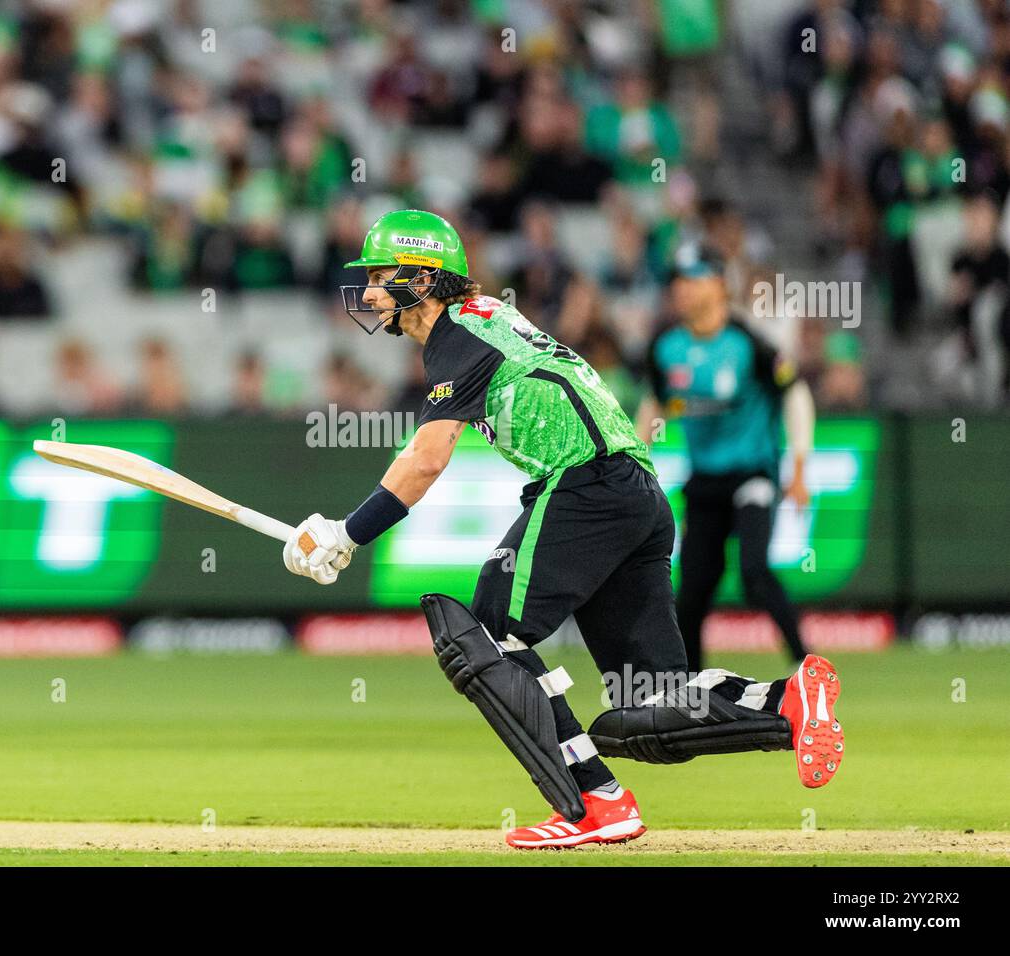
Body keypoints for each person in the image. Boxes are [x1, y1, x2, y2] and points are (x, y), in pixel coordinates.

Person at [281, 211, 844, 849]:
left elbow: (426, 458)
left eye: (381, 276)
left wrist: (347, 535)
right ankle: (789, 703)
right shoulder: (482, 321)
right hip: (633, 492)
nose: (371, 292)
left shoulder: (459, 334)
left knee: (486, 636)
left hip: (585, 483)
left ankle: (594, 804)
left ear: (423, 278)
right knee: (649, 709)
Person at [638, 243, 815, 673]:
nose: (681, 291)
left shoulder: (748, 344)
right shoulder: (666, 347)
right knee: (693, 589)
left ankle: (806, 666)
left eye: (691, 280)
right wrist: (636, 461)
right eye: (677, 282)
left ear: (718, 285)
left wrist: (798, 468)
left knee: (755, 572)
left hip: (752, 473)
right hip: (705, 483)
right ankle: (688, 685)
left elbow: (796, 393)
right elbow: (653, 405)